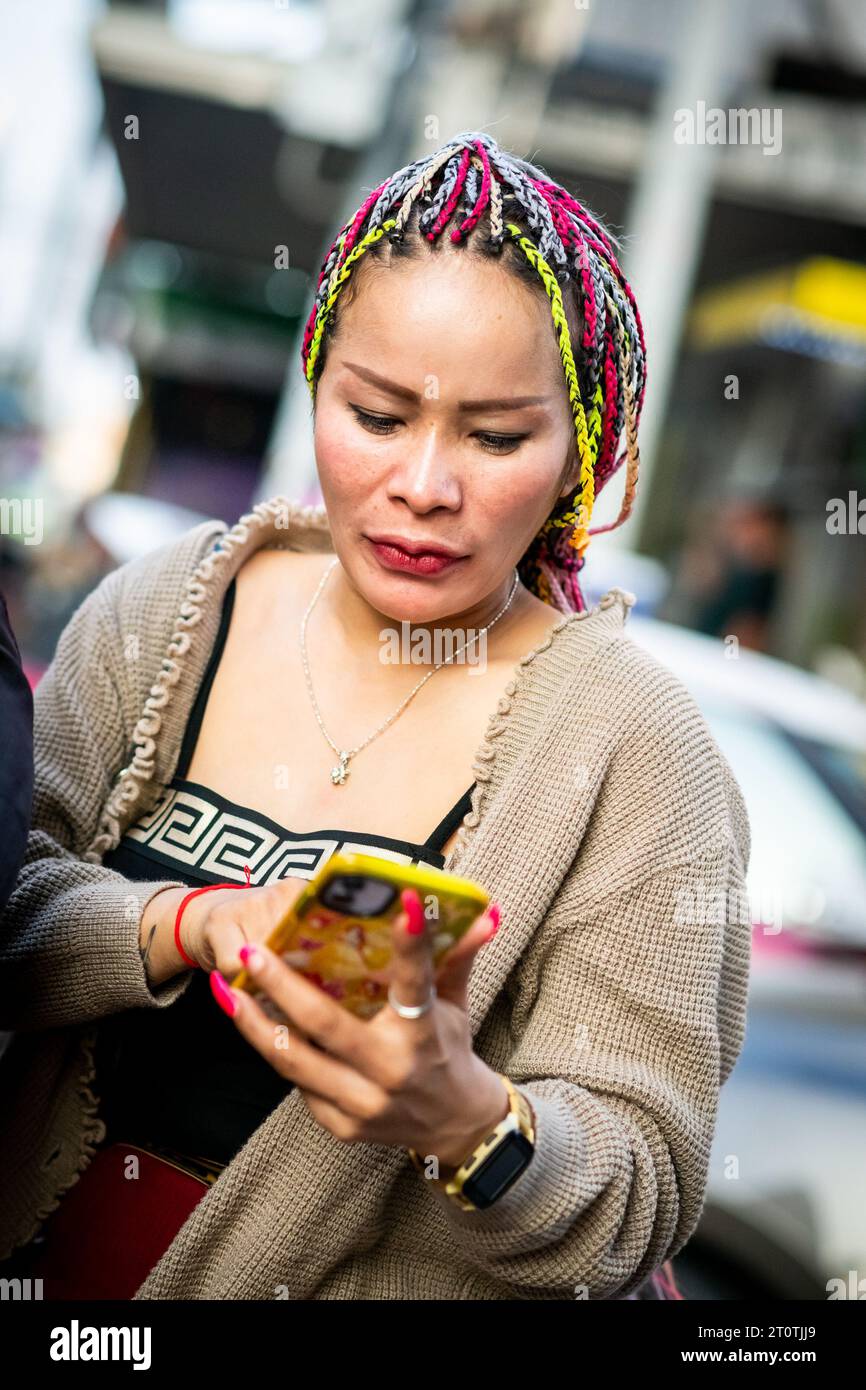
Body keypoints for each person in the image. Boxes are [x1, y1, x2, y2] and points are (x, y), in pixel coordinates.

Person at [0, 131, 750, 1301]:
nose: (423, 485)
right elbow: (8, 905)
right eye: (377, 414)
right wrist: (193, 922)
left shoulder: (633, 750)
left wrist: (466, 1120)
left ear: (577, 456)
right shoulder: (167, 607)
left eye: (495, 437)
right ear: (317, 379)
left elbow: (640, 1180)